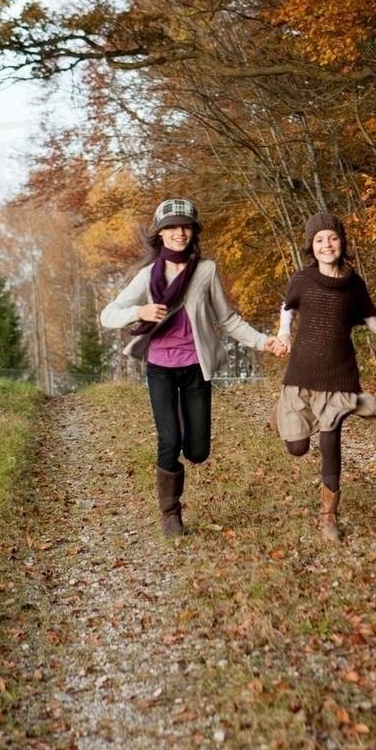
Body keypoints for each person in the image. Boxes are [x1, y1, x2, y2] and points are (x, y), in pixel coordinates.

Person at [101, 197, 285, 537]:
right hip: (160, 368)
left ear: (193, 231)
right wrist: (139, 312)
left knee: (198, 451)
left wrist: (264, 341)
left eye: (185, 227)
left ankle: (186, 433)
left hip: (196, 368)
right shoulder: (147, 276)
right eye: (171, 228)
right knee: (168, 440)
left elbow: (228, 319)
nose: (179, 233)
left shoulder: (206, 271)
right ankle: (171, 514)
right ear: (159, 233)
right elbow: (108, 314)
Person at [275, 212, 376, 541]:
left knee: (330, 440)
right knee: (297, 447)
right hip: (302, 373)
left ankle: (328, 515)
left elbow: (374, 320)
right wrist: (283, 333)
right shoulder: (302, 279)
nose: (327, 245)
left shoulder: (353, 283)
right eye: (319, 240)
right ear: (311, 246)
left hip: (338, 375)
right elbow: (287, 308)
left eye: (332, 238)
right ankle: (290, 417)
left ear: (342, 242)